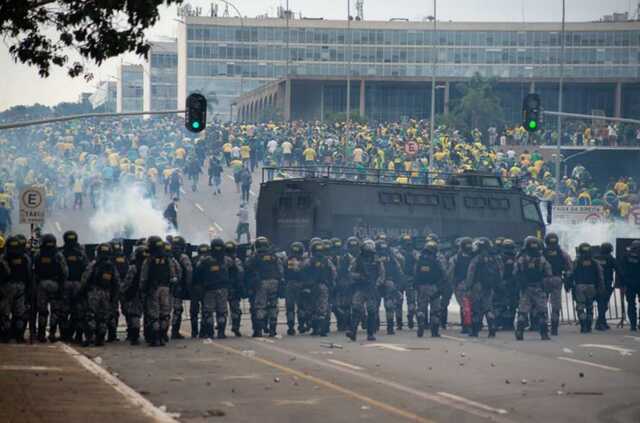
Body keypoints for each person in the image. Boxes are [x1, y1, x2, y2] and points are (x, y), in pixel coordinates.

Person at [80, 243, 120, 347]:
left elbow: (85, 279)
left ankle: (90, 338)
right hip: (106, 293)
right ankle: (100, 339)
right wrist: (114, 297)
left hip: (94, 292)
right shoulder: (112, 266)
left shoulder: (93, 264)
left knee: (90, 315)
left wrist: (81, 292)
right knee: (103, 317)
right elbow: (116, 282)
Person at [140, 236, 177, 347]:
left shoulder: (149, 260)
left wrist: (142, 289)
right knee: (165, 314)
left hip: (153, 289)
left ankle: (155, 339)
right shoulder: (168, 259)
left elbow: (144, 277)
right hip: (166, 289)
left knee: (153, 315)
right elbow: (173, 275)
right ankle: (162, 337)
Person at [514, 237, 553, 341]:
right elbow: (548, 273)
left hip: (526, 288)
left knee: (523, 311)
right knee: (542, 312)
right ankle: (544, 334)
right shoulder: (541, 259)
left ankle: (519, 332)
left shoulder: (521, 258)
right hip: (538, 288)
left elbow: (515, 272)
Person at [245, 237, 283, 338]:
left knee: (260, 306)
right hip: (274, 282)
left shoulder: (254, 256)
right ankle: (272, 330)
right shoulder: (274, 256)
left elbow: (247, 267)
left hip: (261, 283)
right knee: (273, 306)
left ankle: (258, 331)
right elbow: (280, 269)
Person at [347, 239, 384, 342]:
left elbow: (382, 274)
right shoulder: (357, 260)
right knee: (356, 308)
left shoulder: (377, 260)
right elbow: (350, 272)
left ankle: (370, 333)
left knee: (372, 311)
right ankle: (352, 332)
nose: (368, 254)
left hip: (371, 289)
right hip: (360, 288)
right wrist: (359, 276)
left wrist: (377, 284)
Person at [195, 239, 233, 339]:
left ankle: (209, 333)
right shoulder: (227, 260)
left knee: (208, 312)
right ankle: (221, 333)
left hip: (209, 289)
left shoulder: (205, 260)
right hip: (223, 288)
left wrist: (200, 285)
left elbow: (197, 273)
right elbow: (235, 271)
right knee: (222, 311)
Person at [33, 234, 69, 343]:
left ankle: (41, 335)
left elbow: (33, 270)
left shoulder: (38, 254)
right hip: (55, 284)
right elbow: (65, 271)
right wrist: (62, 284)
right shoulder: (58, 255)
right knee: (55, 311)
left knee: (42, 311)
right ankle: (52, 334)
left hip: (41, 285)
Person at [465, 238, 503, 337]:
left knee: (476, 308)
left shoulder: (476, 259)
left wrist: (468, 287)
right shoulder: (494, 258)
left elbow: (471, 273)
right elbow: (500, 272)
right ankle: (492, 329)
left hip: (477, 286)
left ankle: (474, 331)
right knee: (488, 307)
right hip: (489, 287)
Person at [413, 239, 446, 338]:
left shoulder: (420, 261)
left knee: (421, 308)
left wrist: (417, 286)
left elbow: (415, 274)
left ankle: (420, 323)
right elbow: (443, 274)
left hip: (421, 288)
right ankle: (434, 332)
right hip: (433, 287)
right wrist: (441, 287)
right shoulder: (437, 261)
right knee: (435, 310)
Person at [1, 236, 31, 343]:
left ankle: (5, 336)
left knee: (5, 314)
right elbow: (29, 274)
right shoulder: (25, 257)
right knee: (19, 314)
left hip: (7, 287)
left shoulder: (3, 257)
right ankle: (18, 336)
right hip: (21, 287)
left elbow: (4, 273)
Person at [60, 231, 89, 343]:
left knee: (64, 311)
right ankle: (78, 336)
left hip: (66, 284)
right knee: (78, 311)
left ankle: (65, 335)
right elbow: (87, 269)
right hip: (78, 284)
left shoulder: (61, 252)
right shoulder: (81, 253)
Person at [569, 243, 604, 333]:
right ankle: (589, 327)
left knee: (580, 306)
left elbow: (570, 273)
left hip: (579, 286)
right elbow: (600, 275)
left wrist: (568, 285)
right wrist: (601, 287)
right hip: (591, 286)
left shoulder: (576, 262)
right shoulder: (595, 262)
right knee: (589, 306)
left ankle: (583, 326)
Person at [543, 232, 573, 336]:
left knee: (542, 304)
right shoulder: (562, 253)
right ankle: (554, 328)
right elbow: (569, 267)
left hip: (544, 280)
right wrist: (567, 279)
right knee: (555, 305)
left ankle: (543, 326)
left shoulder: (541, 252)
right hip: (557, 279)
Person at [375, 238, 403, 335]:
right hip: (385, 283)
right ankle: (388, 327)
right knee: (386, 306)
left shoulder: (374, 257)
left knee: (379, 305)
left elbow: (398, 270)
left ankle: (378, 326)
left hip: (381, 284)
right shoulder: (390, 256)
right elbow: (399, 270)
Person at [307, 240, 335, 337]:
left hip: (312, 287)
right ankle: (323, 330)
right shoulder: (327, 261)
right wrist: (331, 284)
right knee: (323, 308)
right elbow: (333, 273)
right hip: (324, 286)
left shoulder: (309, 260)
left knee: (313, 307)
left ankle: (315, 330)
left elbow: (301, 270)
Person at [448, 237, 474, 334]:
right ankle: (474, 324)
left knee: (464, 306)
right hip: (473, 285)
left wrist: (451, 283)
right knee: (472, 305)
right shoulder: (475, 257)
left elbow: (450, 272)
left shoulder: (455, 258)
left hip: (460, 285)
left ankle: (466, 326)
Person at [121, 245, 147, 345]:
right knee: (150, 314)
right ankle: (152, 336)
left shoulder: (134, 266)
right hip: (148, 292)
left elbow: (128, 281)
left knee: (135, 314)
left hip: (136, 292)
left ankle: (135, 337)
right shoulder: (150, 264)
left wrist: (123, 291)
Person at [170, 236, 193, 340]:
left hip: (168, 286)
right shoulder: (183, 257)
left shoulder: (168, 255)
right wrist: (188, 286)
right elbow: (189, 271)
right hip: (178, 287)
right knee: (177, 310)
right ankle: (175, 332)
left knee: (164, 310)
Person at [284, 241, 308, 335]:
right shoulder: (304, 261)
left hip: (290, 284)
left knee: (290, 308)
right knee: (301, 307)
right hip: (300, 284)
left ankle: (291, 327)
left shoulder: (287, 260)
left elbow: (285, 271)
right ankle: (301, 326)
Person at [594, 242, 619, 330]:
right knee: (603, 303)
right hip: (606, 284)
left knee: (601, 303)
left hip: (596, 284)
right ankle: (600, 323)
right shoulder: (610, 258)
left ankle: (602, 321)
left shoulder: (595, 257)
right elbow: (618, 269)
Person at [225, 241, 245, 337]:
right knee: (235, 309)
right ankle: (235, 327)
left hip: (223, 287)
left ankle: (221, 328)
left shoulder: (220, 260)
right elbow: (241, 273)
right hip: (234, 287)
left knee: (221, 309)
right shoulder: (237, 260)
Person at [190, 244, 210, 338]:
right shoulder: (210, 260)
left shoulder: (193, 259)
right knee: (205, 311)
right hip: (206, 288)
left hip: (195, 288)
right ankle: (203, 332)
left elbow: (189, 273)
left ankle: (194, 332)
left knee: (194, 311)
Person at [398, 235, 418, 329]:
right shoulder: (414, 253)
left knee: (403, 301)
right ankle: (405, 319)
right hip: (407, 279)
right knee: (409, 301)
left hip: (404, 279)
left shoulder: (397, 252)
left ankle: (402, 321)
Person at [621, 240, 640, 332]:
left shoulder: (626, 256)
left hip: (629, 284)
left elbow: (622, 270)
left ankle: (633, 325)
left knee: (631, 304)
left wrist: (623, 283)